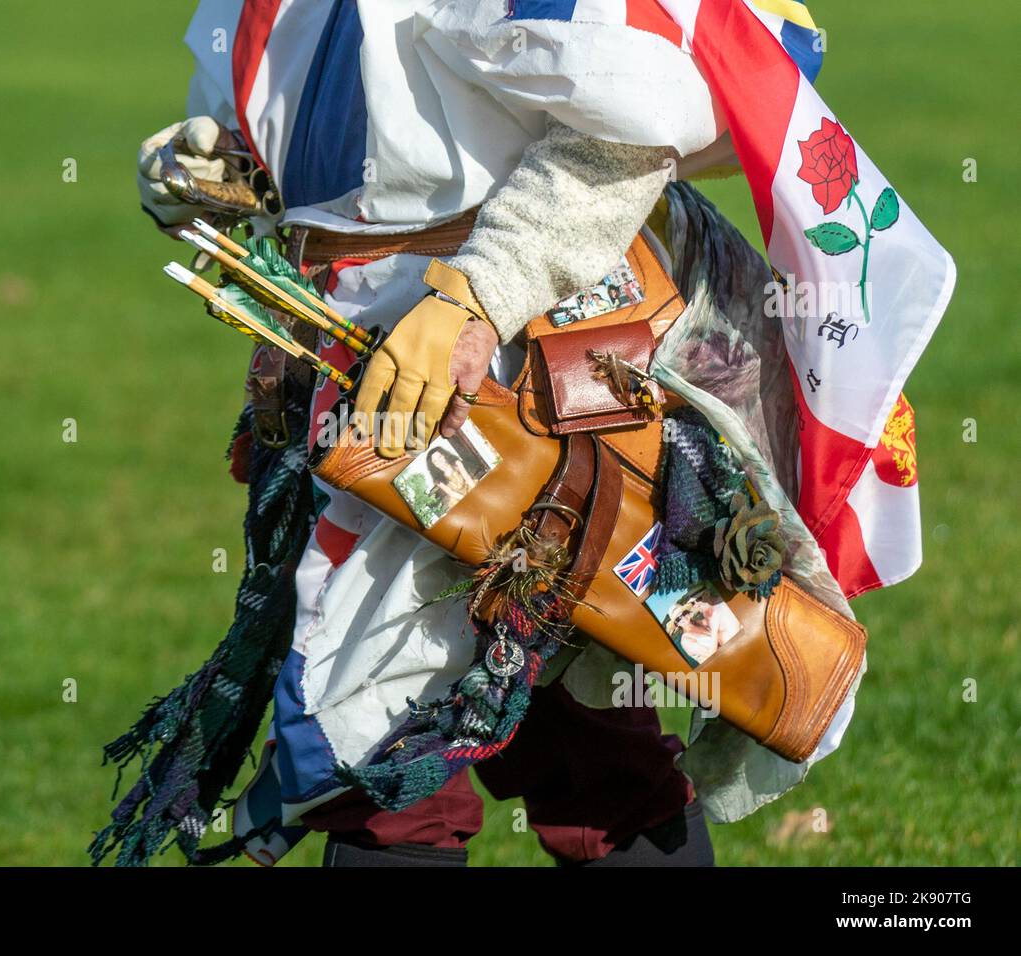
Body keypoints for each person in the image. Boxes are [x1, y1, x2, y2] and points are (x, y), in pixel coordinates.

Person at [107, 0, 948, 869]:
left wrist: (474, 296)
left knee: (422, 755)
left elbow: (623, 133)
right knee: (525, 737)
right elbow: (347, 140)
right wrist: (222, 165)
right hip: (357, 355)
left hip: (516, 362)